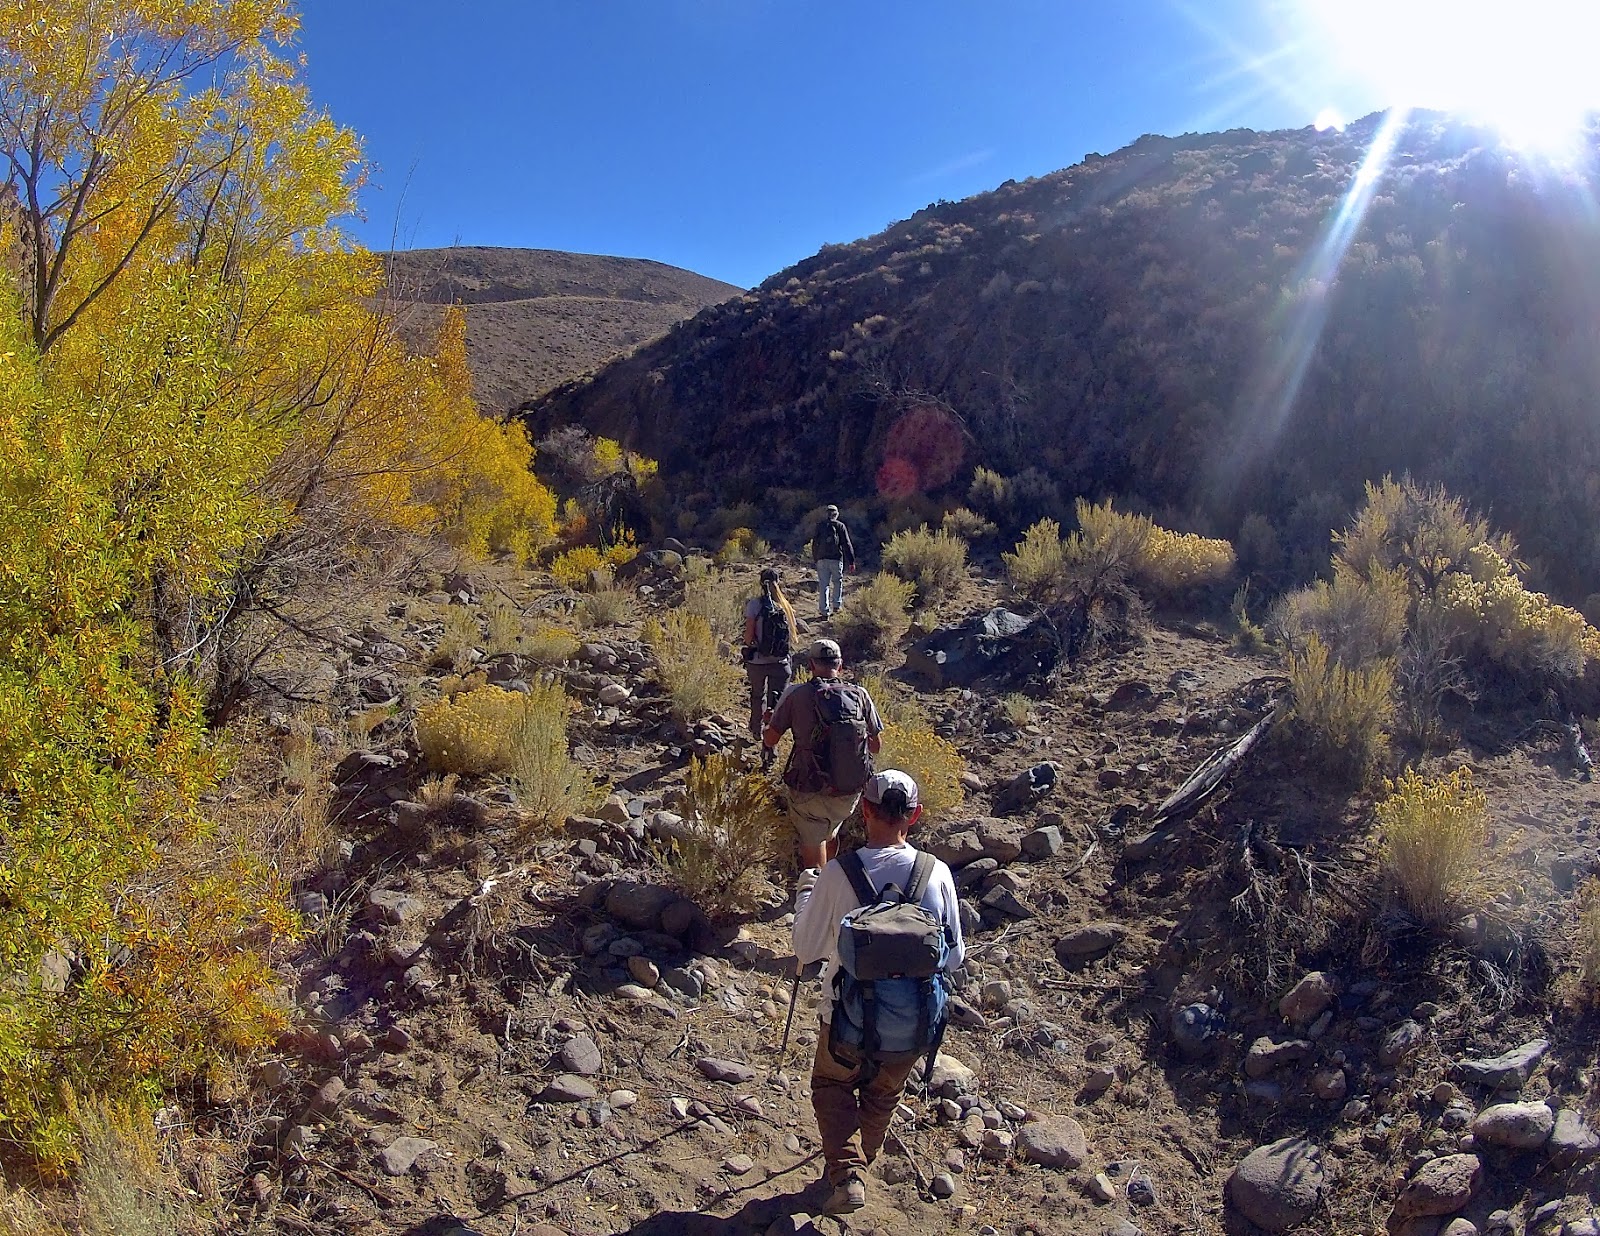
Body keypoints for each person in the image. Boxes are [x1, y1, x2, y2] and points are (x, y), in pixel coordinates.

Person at [792, 770, 965, 1214]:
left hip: (845, 1018)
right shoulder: (937, 872)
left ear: (863, 810)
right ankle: (859, 1163)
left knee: (832, 1086)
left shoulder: (837, 873)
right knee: (883, 1094)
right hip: (911, 1021)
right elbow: (954, 955)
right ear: (916, 815)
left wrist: (805, 897)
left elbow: (806, 949)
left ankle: (849, 1175)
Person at [763, 638, 882, 868]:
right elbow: (876, 747)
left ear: (811, 665)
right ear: (840, 665)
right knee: (832, 829)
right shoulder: (860, 694)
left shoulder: (796, 694)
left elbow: (770, 740)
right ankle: (832, 878)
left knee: (812, 840)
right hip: (848, 791)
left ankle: (817, 892)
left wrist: (769, 723)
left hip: (809, 788)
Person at [742, 567, 797, 760]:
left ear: (760, 583)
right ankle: (770, 743)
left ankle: (756, 729)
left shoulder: (754, 605)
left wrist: (751, 645)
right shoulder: (785, 605)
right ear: (778, 582)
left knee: (758, 695)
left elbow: (749, 637)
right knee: (777, 703)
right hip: (780, 663)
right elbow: (792, 637)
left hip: (757, 661)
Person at [812, 504, 855, 619]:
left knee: (824, 585)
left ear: (826, 513)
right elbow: (846, 544)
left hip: (822, 559)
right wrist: (851, 561)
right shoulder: (840, 526)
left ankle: (824, 611)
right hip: (836, 559)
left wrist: (816, 558)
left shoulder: (820, 526)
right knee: (837, 582)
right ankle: (836, 606)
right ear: (836, 514)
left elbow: (814, 543)